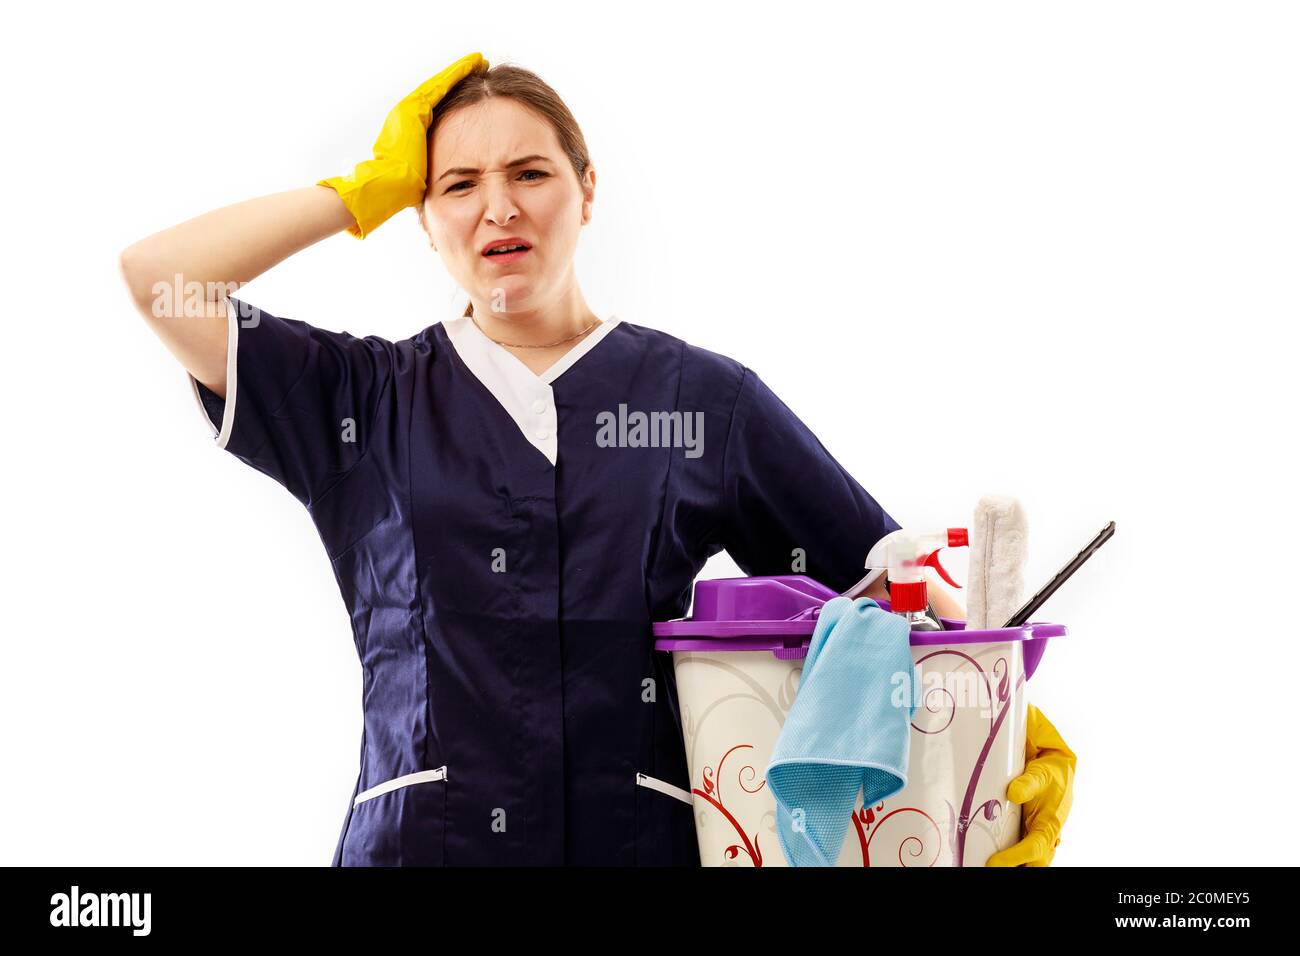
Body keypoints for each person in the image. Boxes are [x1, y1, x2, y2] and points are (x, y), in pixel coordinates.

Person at [118, 53, 1072, 866]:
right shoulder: (362, 400)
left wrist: (1002, 727)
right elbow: (159, 280)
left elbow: (890, 600)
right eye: (456, 184)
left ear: (587, 189)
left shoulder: (700, 403)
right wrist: (351, 194)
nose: (498, 206)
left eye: (530, 172)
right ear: (420, 213)